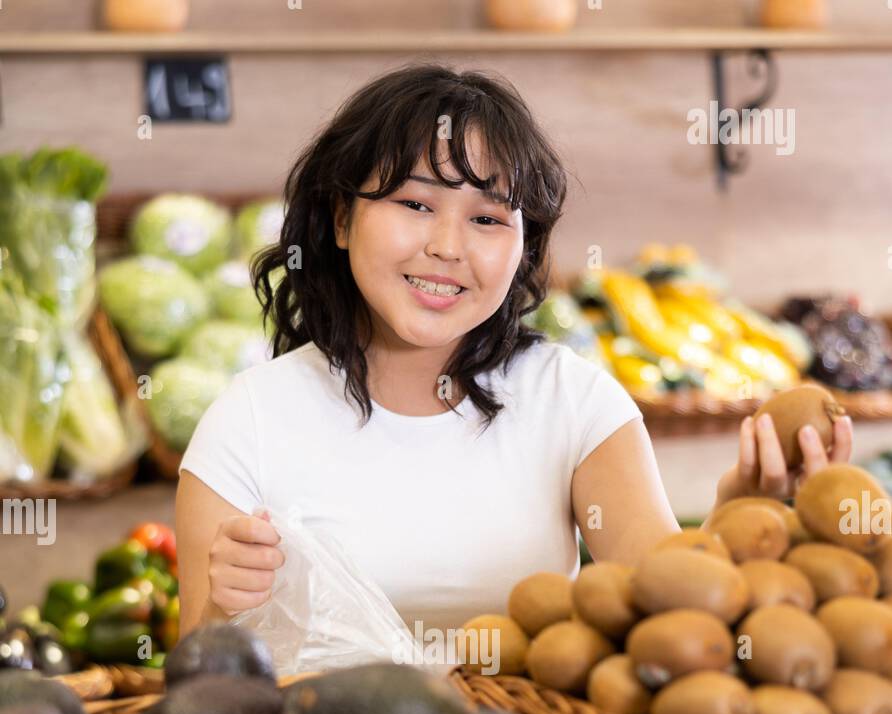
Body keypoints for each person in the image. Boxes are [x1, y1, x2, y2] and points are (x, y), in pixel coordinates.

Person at [175, 63, 852, 644]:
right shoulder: (250, 421)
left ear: (523, 245)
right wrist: (222, 606)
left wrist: (741, 512)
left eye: (488, 218)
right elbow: (197, 683)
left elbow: (667, 605)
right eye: (415, 203)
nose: (448, 247)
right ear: (342, 219)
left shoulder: (575, 404)